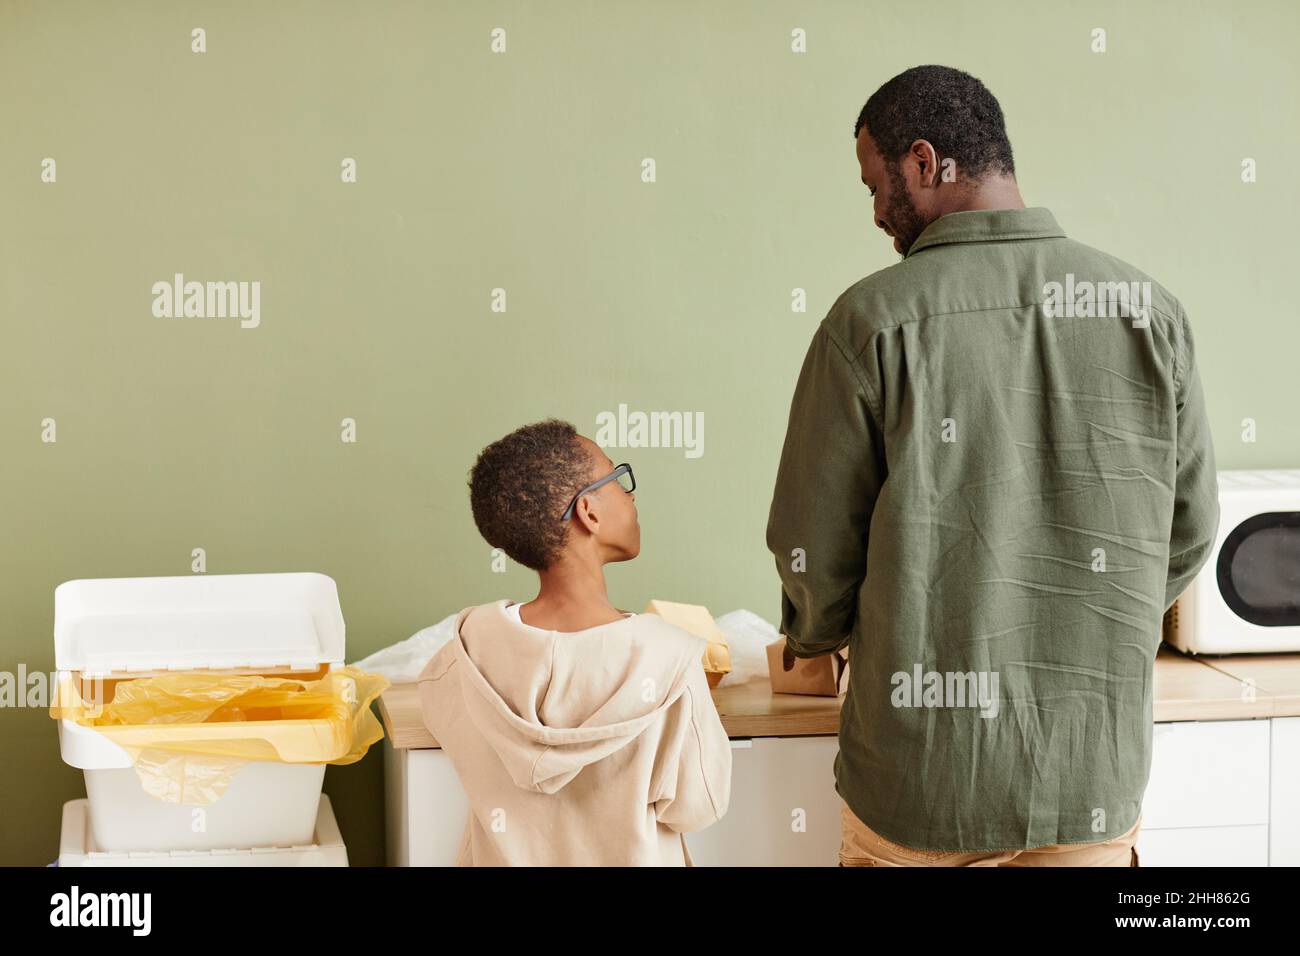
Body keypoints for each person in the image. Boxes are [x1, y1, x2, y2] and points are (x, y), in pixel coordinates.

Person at [765, 65, 1219, 867]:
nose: (874, 211)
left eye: (875, 183)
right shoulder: (1149, 312)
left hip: (919, 787)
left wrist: (814, 635)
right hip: (1088, 782)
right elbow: (1188, 531)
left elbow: (811, 548)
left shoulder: (870, 321)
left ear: (924, 162)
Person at [418, 418, 731, 865]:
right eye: (618, 479)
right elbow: (700, 806)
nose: (632, 494)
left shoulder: (463, 654)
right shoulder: (669, 659)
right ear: (589, 511)